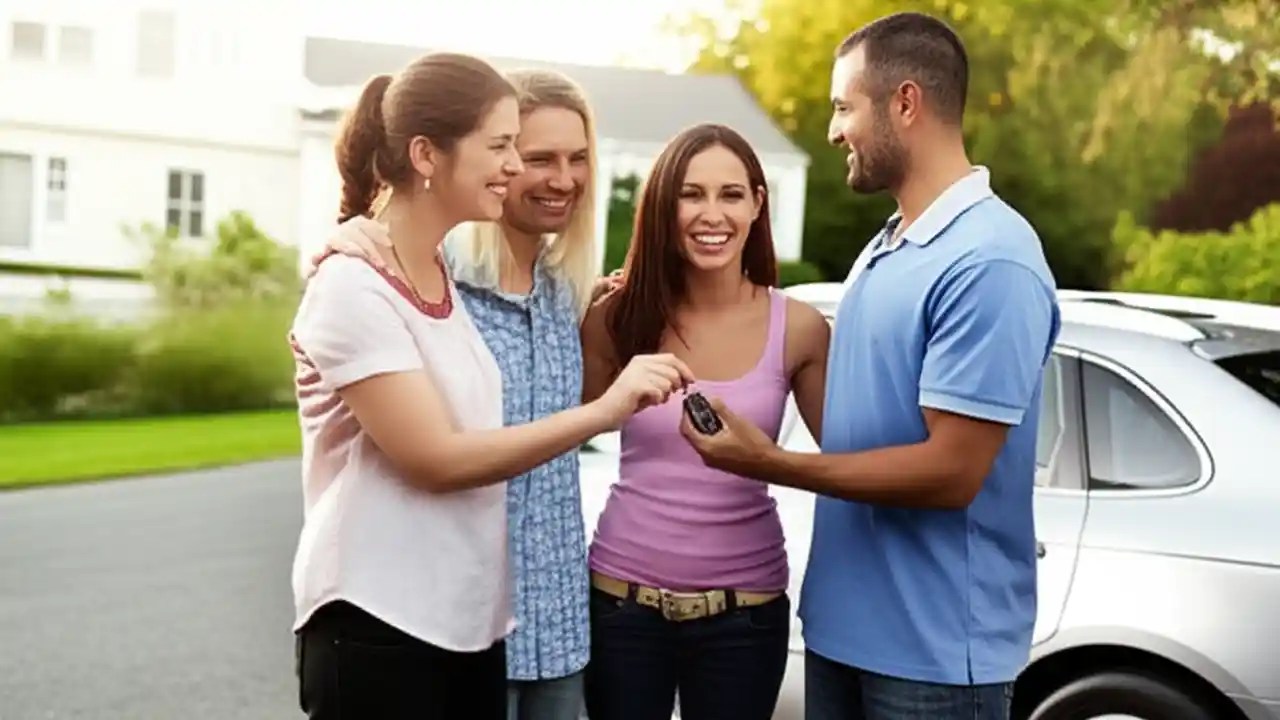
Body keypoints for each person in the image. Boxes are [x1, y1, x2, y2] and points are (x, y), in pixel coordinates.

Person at [288, 54, 693, 720]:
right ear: (428, 155)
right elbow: (436, 458)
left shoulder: (510, 292)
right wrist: (604, 411)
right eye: (509, 148)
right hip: (385, 616)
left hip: (492, 620)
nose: (537, 173)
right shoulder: (374, 278)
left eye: (577, 157)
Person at [681, 12, 1061, 720]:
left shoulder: (991, 259)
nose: (832, 131)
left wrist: (763, 462)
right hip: (842, 636)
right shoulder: (888, 245)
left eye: (842, 106)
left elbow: (950, 472)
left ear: (905, 103)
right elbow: (859, 421)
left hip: (937, 662)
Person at [581, 123, 830, 720]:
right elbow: (551, 429)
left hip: (744, 616)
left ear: (756, 205)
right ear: (665, 207)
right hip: (621, 609)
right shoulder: (615, 317)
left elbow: (848, 462)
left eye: (730, 194)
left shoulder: (798, 328)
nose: (710, 214)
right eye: (691, 195)